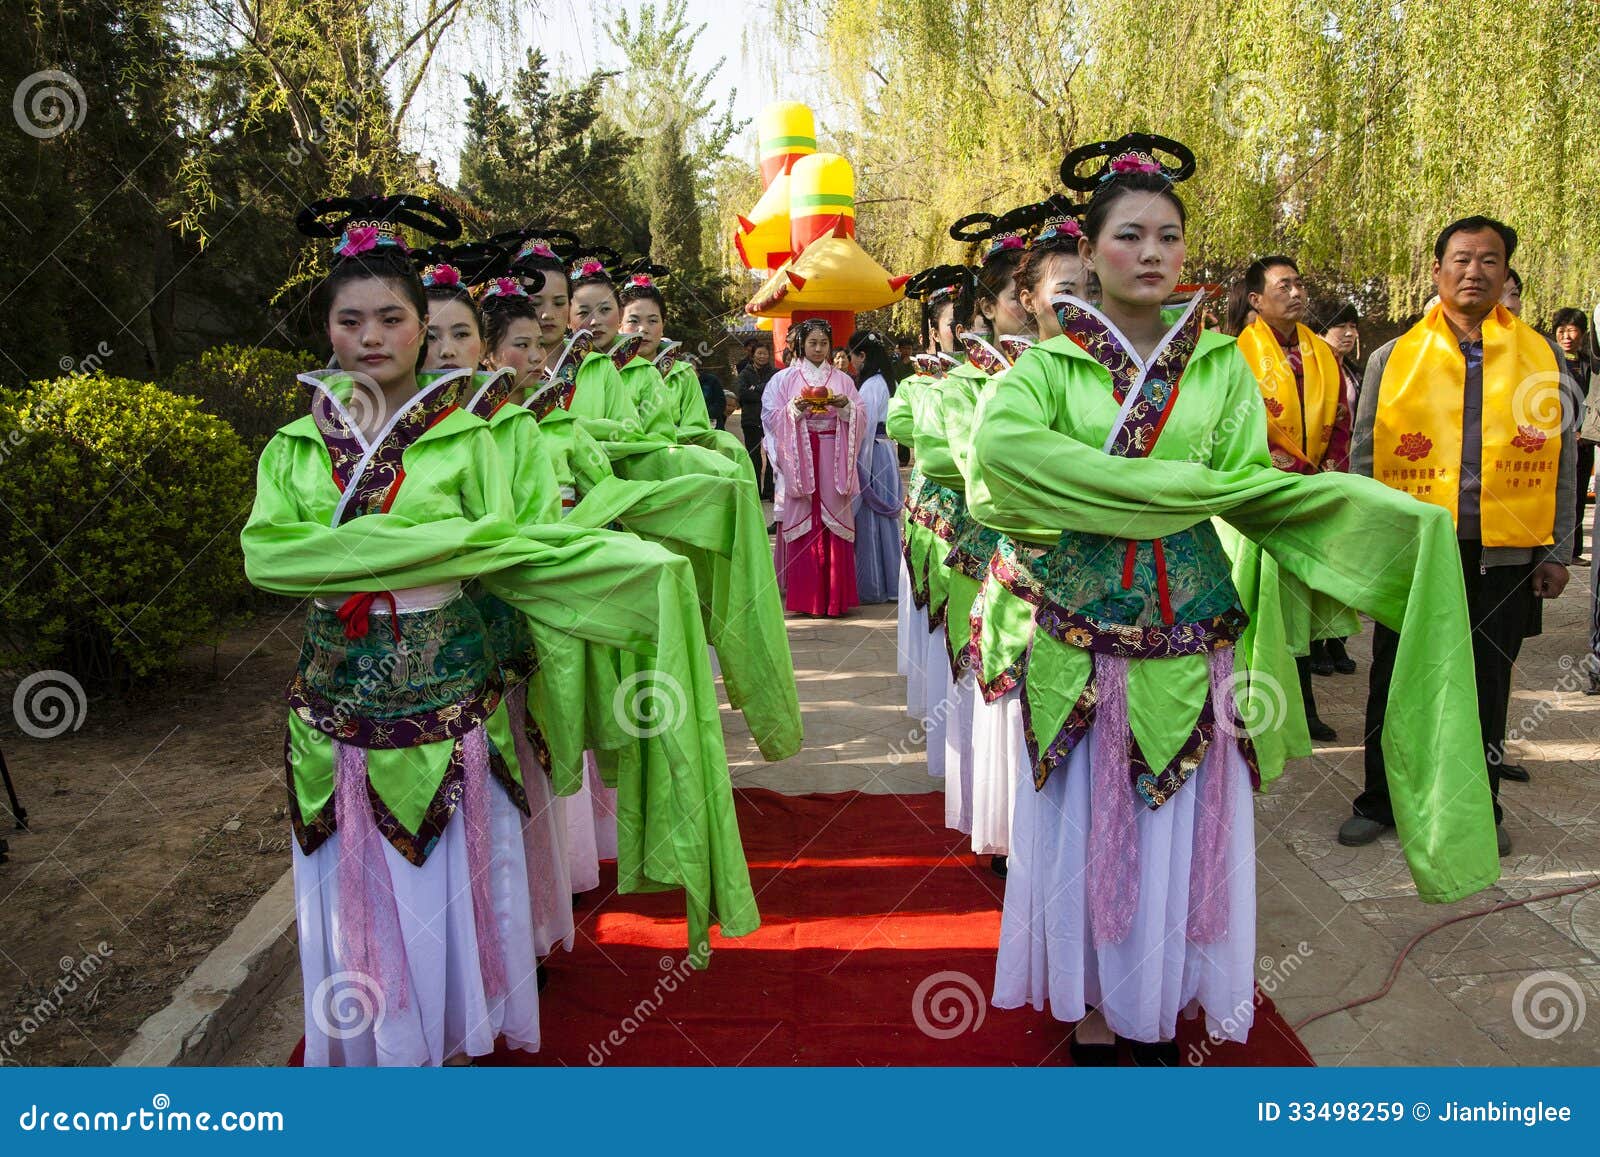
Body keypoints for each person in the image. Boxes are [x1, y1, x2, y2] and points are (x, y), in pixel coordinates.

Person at [970, 135, 1501, 1063]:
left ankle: (1165, 994)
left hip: (1188, 632)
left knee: (1180, 828)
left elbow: (1254, 488)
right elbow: (1010, 469)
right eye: (1129, 235)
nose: (1151, 252)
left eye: (1169, 237)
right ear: (1090, 254)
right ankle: (1096, 1003)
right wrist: (1188, 492)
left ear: (1184, 253)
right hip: (1082, 641)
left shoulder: (1218, 366)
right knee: (1091, 826)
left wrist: (1375, 522)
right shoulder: (1045, 371)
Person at [246, 197, 760, 1065]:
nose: (372, 337)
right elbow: (270, 557)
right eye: (349, 320)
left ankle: (449, 1038)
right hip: (333, 706)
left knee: (444, 883)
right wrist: (442, 544)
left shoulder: (468, 439)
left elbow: (520, 549)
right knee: (353, 883)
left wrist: (642, 564)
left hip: (448, 695)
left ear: (426, 330)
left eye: (392, 318)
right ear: (324, 329)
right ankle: (376, 1044)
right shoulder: (295, 446)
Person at [1345, 214, 1576, 847]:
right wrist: (1368, 545)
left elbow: (1561, 455)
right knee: (1394, 674)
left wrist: (1555, 547)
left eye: (1490, 261)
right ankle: (1380, 799)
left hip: (1503, 551)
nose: (1475, 271)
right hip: (1416, 547)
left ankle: (1480, 806)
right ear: (1438, 270)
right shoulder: (1393, 358)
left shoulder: (1540, 354)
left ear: (1506, 273)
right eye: (1462, 259)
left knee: (1488, 681)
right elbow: (1364, 458)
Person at [1234, 256, 1357, 740]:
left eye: (1299, 284)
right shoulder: (1237, 354)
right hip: (1263, 497)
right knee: (1262, 606)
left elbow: (1342, 421)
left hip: (1312, 491)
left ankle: (1304, 704)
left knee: (1300, 604)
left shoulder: (1320, 353)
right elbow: (1238, 425)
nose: (1296, 292)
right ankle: (1252, 702)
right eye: (1283, 285)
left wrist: (1327, 471)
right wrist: (1286, 469)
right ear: (1256, 300)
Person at [766, 318, 865, 615]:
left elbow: (860, 413)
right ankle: (807, 599)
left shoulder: (843, 380)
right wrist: (793, 410)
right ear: (801, 345)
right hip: (802, 453)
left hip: (834, 452)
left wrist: (845, 407)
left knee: (834, 518)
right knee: (805, 515)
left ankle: (835, 599)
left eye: (823, 343)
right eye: (813, 343)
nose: (819, 348)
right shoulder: (785, 379)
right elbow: (770, 416)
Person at [846, 329, 903, 603]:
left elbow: (864, 428)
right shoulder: (886, 381)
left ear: (862, 355)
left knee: (870, 518)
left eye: (852, 357)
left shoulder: (870, 386)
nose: (851, 363)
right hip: (887, 452)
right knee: (885, 522)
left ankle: (873, 586)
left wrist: (859, 463)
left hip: (874, 453)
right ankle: (892, 581)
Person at [1552, 307, 1595, 563]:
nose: (1567, 335)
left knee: (1577, 496)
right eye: (1562, 330)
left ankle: (1573, 550)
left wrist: (1584, 431)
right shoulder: (1547, 360)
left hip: (1583, 442)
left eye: (1572, 330)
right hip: (1554, 438)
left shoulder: (1590, 364)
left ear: (1582, 334)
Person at [737, 338, 778, 499]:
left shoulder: (774, 373)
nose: (762, 356)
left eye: (765, 354)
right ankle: (756, 491)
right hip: (751, 420)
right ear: (753, 355)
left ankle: (770, 490)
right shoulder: (745, 373)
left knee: (771, 455)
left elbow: (774, 393)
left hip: (770, 420)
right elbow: (743, 394)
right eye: (759, 353)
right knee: (754, 457)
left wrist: (756, 388)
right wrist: (762, 390)